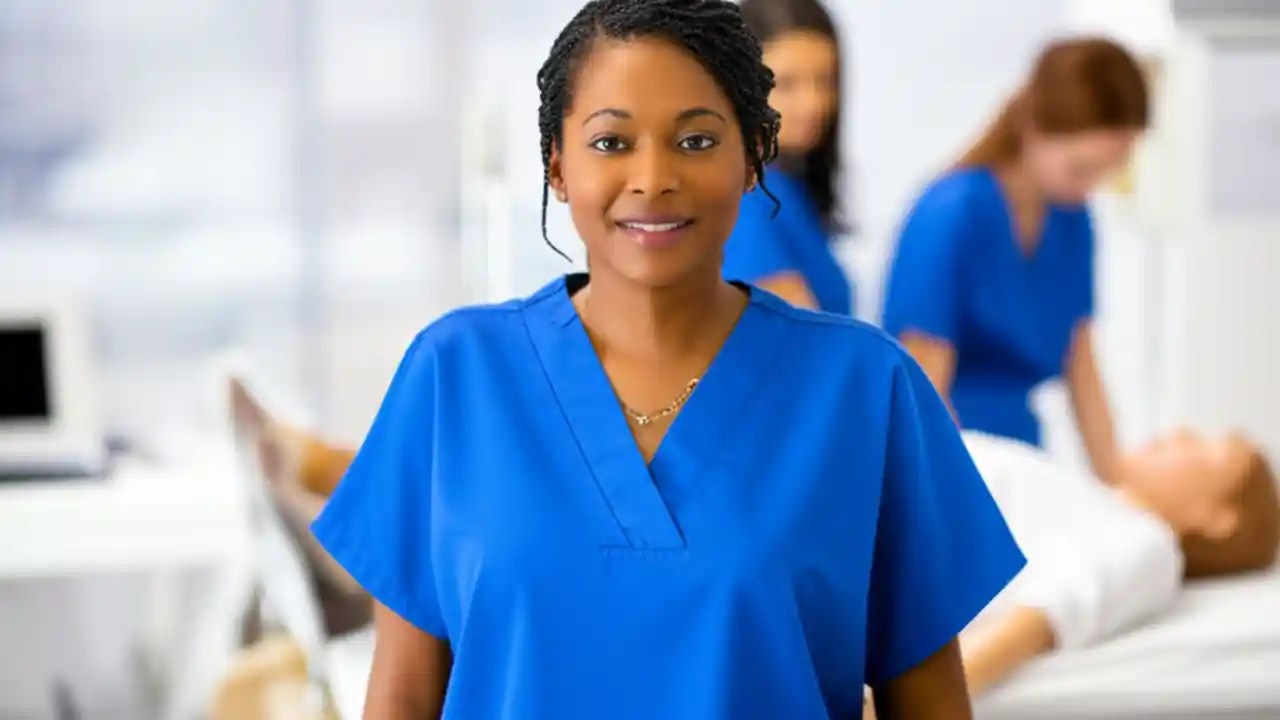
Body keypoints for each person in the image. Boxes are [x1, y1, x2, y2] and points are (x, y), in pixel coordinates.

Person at [309, 1, 1025, 717]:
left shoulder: (866, 390)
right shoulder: (455, 375)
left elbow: (931, 706)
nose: (652, 177)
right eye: (612, 142)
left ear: (752, 160)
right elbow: (400, 700)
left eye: (695, 140)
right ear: (557, 165)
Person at [880, 38, 1149, 481]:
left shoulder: (1071, 220)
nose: (1089, 187)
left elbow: (1080, 366)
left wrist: (1119, 486)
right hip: (954, 464)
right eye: (1080, 168)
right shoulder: (954, 213)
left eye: (1106, 171)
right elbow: (924, 390)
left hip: (1023, 464)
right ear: (1033, 130)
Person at [958, 429, 1279, 694]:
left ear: (1217, 520)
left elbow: (1030, 626)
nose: (1180, 433)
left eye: (1204, 448)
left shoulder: (1148, 546)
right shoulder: (1096, 501)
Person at [721, 0, 853, 314]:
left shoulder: (788, 188)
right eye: (787, 84)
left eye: (825, 80)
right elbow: (804, 353)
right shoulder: (745, 192)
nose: (813, 104)